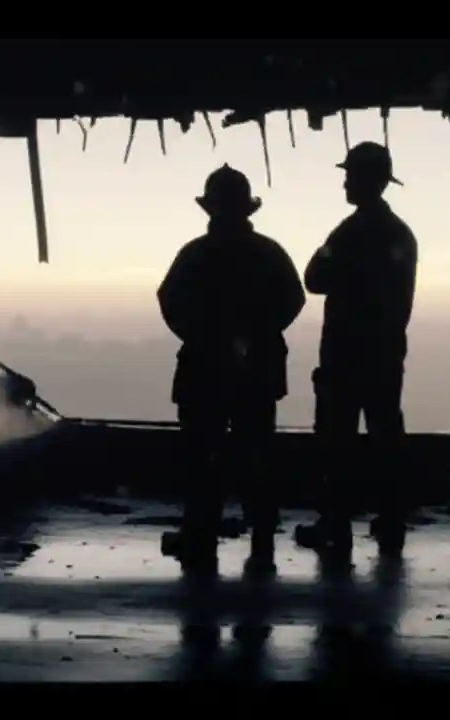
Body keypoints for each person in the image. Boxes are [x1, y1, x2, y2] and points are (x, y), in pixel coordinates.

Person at [157, 164, 306, 574]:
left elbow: (169, 301)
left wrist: (203, 338)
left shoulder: (194, 254)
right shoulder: (269, 253)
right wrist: (257, 336)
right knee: (256, 451)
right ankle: (261, 533)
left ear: (211, 209)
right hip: (257, 370)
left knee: (202, 454)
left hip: (203, 371)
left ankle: (199, 532)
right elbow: (294, 298)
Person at [294, 142, 418, 558]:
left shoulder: (348, 234)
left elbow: (313, 278)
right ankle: (391, 520)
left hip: (345, 355)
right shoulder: (400, 235)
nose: (345, 182)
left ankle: (335, 523)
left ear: (366, 180)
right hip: (384, 354)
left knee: (335, 439)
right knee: (386, 435)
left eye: (350, 175)